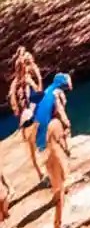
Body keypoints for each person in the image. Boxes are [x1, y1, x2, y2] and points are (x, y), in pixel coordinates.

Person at [34, 73, 73, 228]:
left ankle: (57, 197)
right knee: (62, 184)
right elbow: (62, 113)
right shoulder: (57, 96)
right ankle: (58, 227)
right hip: (52, 144)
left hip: (42, 143)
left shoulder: (48, 91)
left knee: (57, 185)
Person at [8, 47, 44, 180]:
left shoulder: (13, 85)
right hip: (30, 116)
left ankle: (40, 173)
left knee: (32, 149)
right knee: (41, 140)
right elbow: (39, 92)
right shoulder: (27, 80)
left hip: (24, 119)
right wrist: (39, 77)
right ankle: (45, 169)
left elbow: (14, 107)